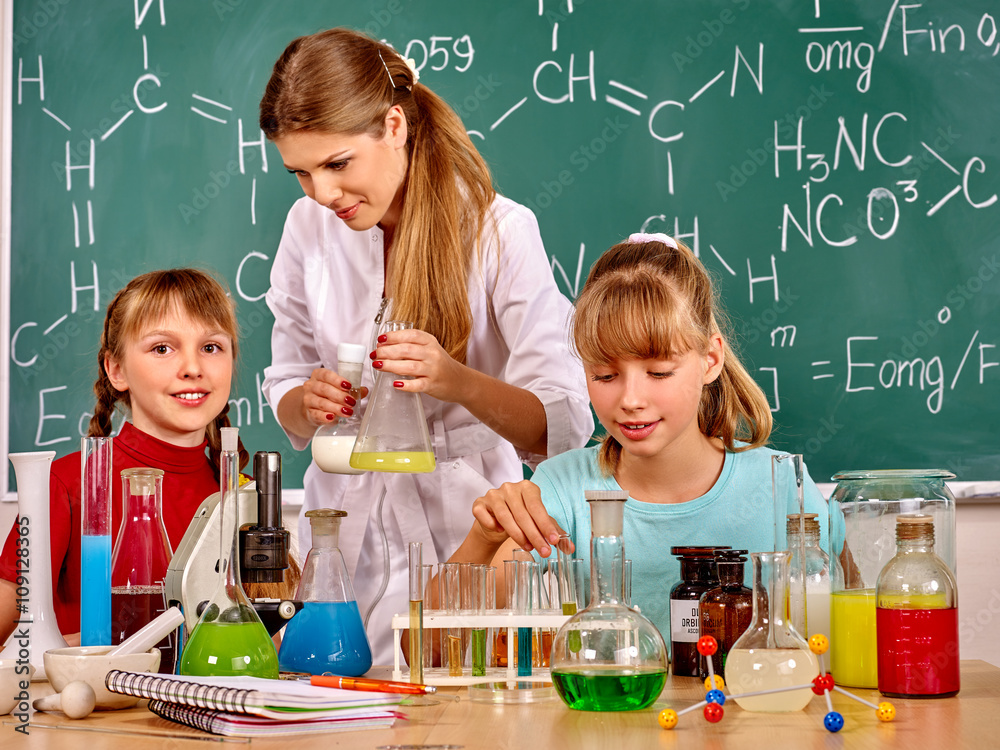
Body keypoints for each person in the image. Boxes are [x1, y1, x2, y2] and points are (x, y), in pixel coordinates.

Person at [258, 27, 593, 663]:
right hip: (340, 543)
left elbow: (562, 426)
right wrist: (309, 398)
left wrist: (453, 379)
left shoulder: (499, 231)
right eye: (300, 172)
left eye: (337, 165)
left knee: (453, 701)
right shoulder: (307, 229)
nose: (322, 194)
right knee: (336, 701)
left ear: (393, 126)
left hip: (470, 538)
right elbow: (285, 386)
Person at [444, 233, 829, 644]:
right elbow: (427, 651)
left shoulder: (787, 488)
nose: (630, 400)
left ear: (710, 360)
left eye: (659, 373)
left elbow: (851, 640)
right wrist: (483, 539)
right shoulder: (563, 490)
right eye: (604, 376)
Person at [0, 269, 251, 646]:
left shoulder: (239, 496)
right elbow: (11, 644)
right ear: (116, 370)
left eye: (211, 347)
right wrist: (73, 648)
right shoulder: (65, 484)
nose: (193, 368)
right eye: (162, 348)